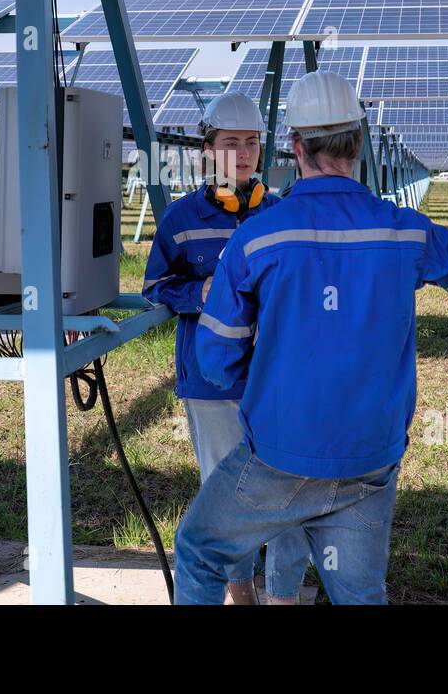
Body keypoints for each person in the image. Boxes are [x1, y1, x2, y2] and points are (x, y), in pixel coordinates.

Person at [175, 71, 448, 605]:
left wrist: (269, 383)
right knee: (360, 596)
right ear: (358, 143)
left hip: (281, 452)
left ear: (294, 147)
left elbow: (217, 358)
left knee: (199, 551)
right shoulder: (406, 231)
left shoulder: (257, 237)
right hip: (370, 456)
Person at [143, 91, 310, 604]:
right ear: (207, 150)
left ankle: (284, 595)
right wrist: (201, 293)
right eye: (231, 142)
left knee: (289, 490)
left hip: (276, 379)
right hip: (210, 382)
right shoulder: (180, 219)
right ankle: (243, 595)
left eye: (252, 142)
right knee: (227, 495)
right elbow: (156, 286)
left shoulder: (284, 214)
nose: (243, 152)